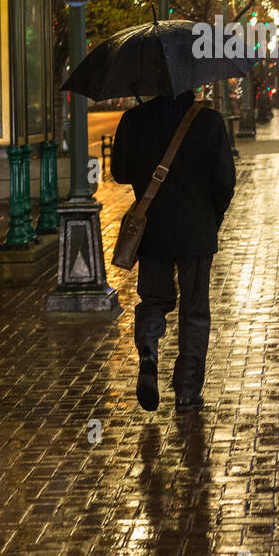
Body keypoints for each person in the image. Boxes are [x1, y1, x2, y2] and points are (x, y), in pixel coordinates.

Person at [111, 88, 236, 414]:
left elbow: (120, 173)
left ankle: (149, 351)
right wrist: (212, 217)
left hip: (153, 232)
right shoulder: (209, 122)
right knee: (194, 311)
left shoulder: (133, 120)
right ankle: (187, 391)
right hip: (196, 232)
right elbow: (225, 180)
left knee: (154, 299)